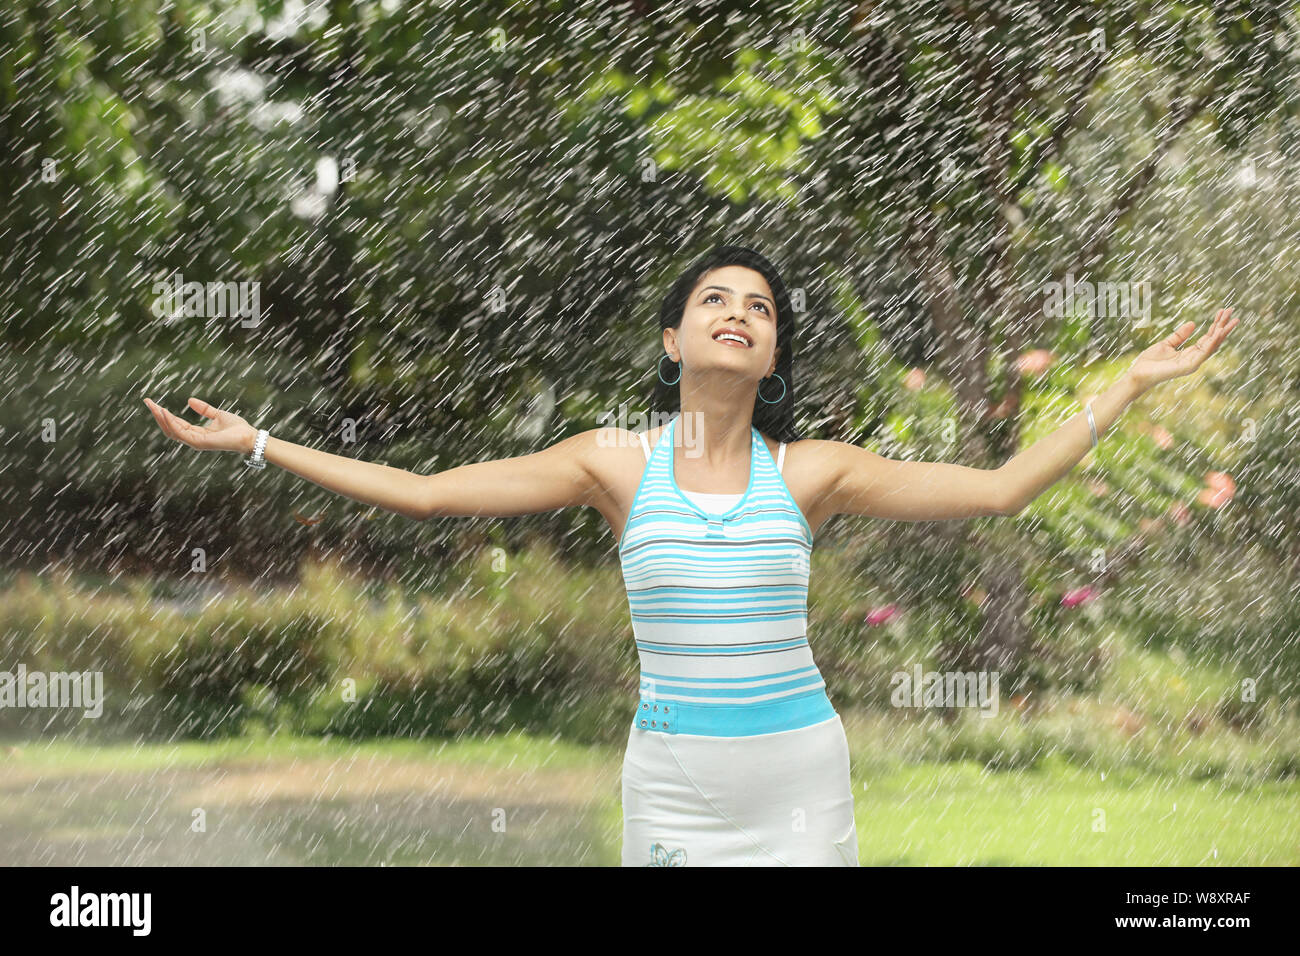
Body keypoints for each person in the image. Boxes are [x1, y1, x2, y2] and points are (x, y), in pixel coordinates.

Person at [143, 244, 1237, 866]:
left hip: (800, 791)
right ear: (673, 340)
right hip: (671, 794)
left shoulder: (811, 470)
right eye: (714, 298)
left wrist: (1124, 387)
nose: (737, 313)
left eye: (758, 308)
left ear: (769, 353)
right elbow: (429, 494)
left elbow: (999, 488)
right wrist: (261, 444)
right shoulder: (612, 462)